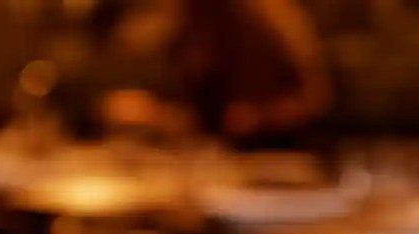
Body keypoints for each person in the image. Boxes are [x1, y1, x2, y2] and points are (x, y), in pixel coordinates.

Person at [88, 0, 332, 147]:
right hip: (225, 166)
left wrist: (258, 117)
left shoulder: (255, 17)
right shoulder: (193, 20)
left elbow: (314, 98)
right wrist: (151, 112)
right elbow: (197, 110)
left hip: (278, 164)